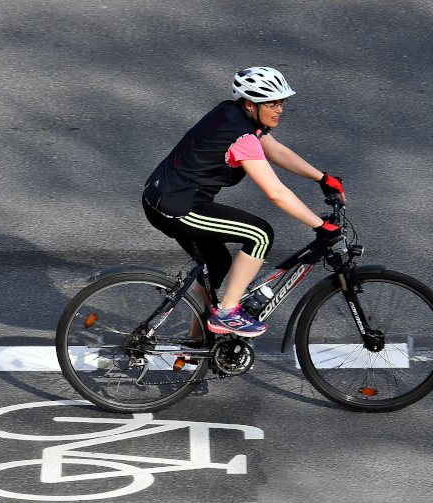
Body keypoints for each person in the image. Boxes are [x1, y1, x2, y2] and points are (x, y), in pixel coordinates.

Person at [142, 66, 345, 337]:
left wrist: (322, 177)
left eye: (281, 101)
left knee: (217, 265)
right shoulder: (243, 137)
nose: (279, 109)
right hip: (177, 207)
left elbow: (274, 149)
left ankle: (196, 343)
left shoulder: (232, 112)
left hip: (161, 195)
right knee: (259, 234)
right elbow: (276, 193)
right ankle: (226, 313)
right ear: (250, 104)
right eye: (271, 103)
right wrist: (320, 226)